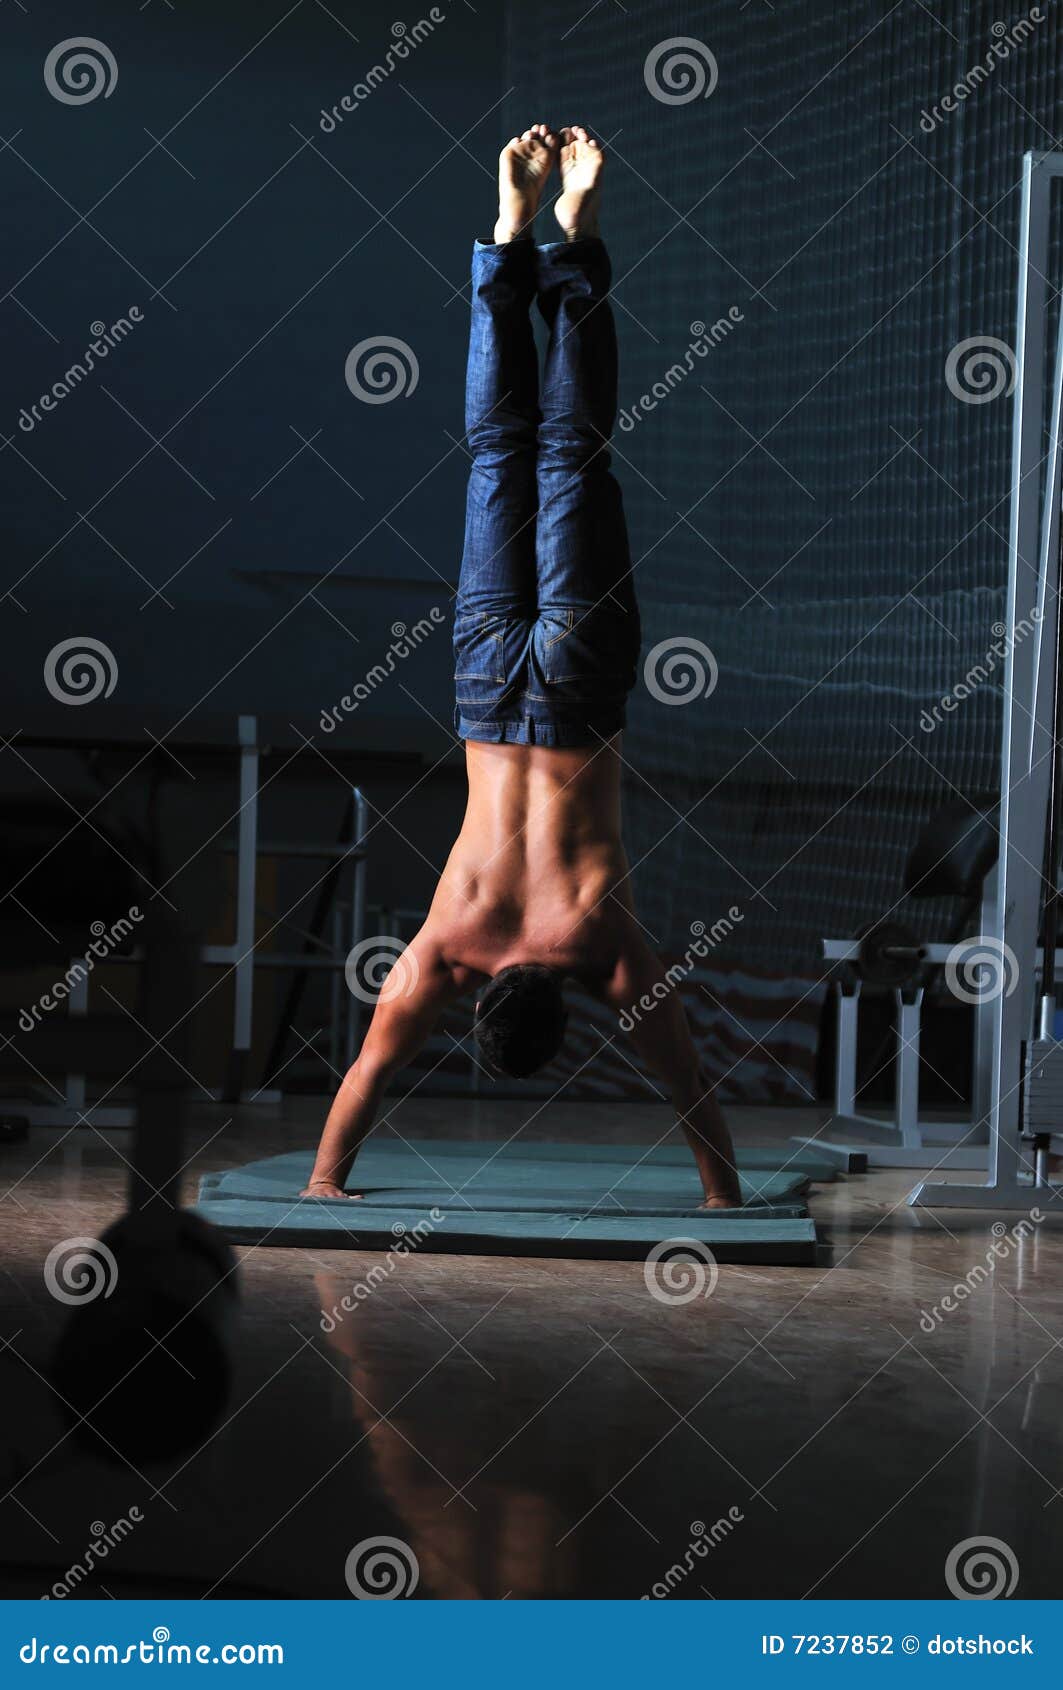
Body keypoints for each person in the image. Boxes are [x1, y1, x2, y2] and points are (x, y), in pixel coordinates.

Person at [302, 125, 741, 1209]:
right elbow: (367, 1074)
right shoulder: (447, 948)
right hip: (488, 691)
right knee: (501, 455)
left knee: (571, 452)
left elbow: (687, 1085)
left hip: (581, 692)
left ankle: (574, 242)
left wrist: (722, 1194)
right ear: (482, 996)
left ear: (567, 1002)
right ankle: (505, 240)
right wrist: (323, 1180)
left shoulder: (607, 952)